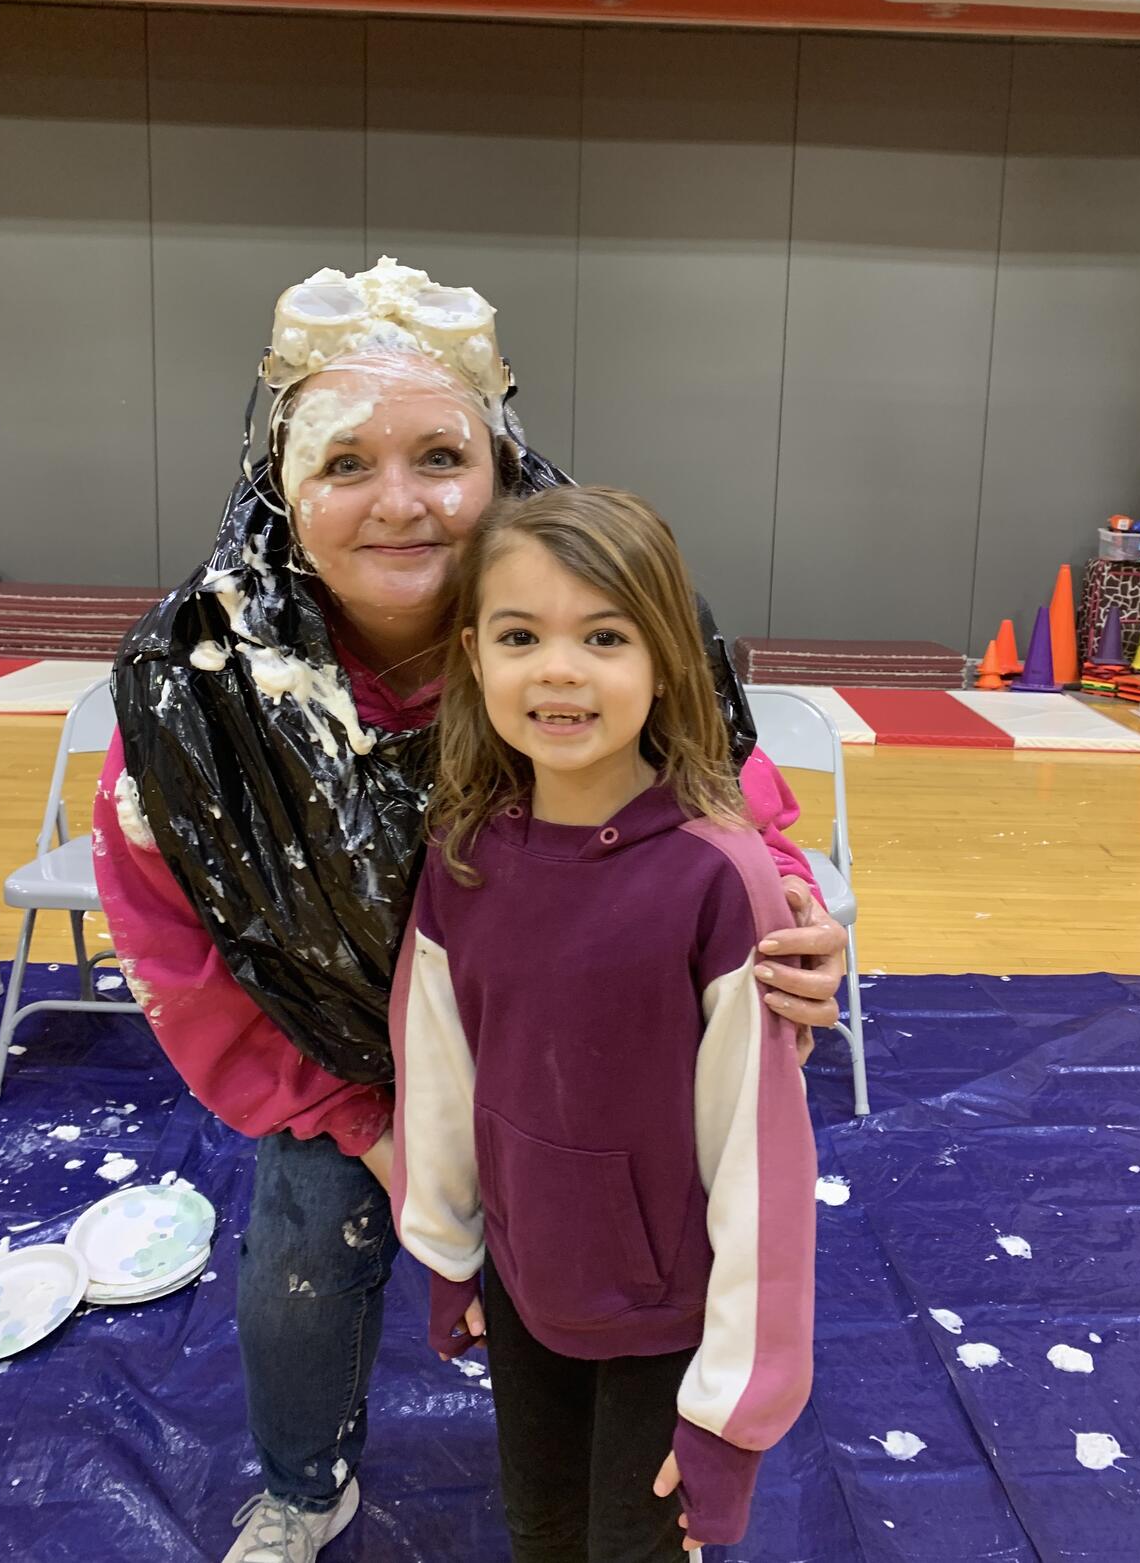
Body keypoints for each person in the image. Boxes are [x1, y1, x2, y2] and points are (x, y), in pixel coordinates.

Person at [91, 258, 844, 1563]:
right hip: (333, 1058)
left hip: (589, 1057)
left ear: (498, 462)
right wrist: (366, 1125)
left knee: (626, 1299)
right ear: (281, 477)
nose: (400, 503)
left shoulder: (590, 629)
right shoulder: (193, 706)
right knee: (298, 1272)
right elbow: (185, 964)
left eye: (440, 452)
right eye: (345, 464)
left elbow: (731, 808)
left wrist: (791, 914)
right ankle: (302, 1477)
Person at [392, 485, 816, 1559]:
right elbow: (438, 1071)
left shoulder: (716, 879)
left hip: (663, 1322)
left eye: (604, 635)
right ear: (472, 656)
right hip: (527, 1293)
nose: (559, 669)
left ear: (665, 658)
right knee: (540, 1531)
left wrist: (731, 1409)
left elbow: (759, 1162)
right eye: (520, 634)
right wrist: (448, 1251)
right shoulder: (463, 858)